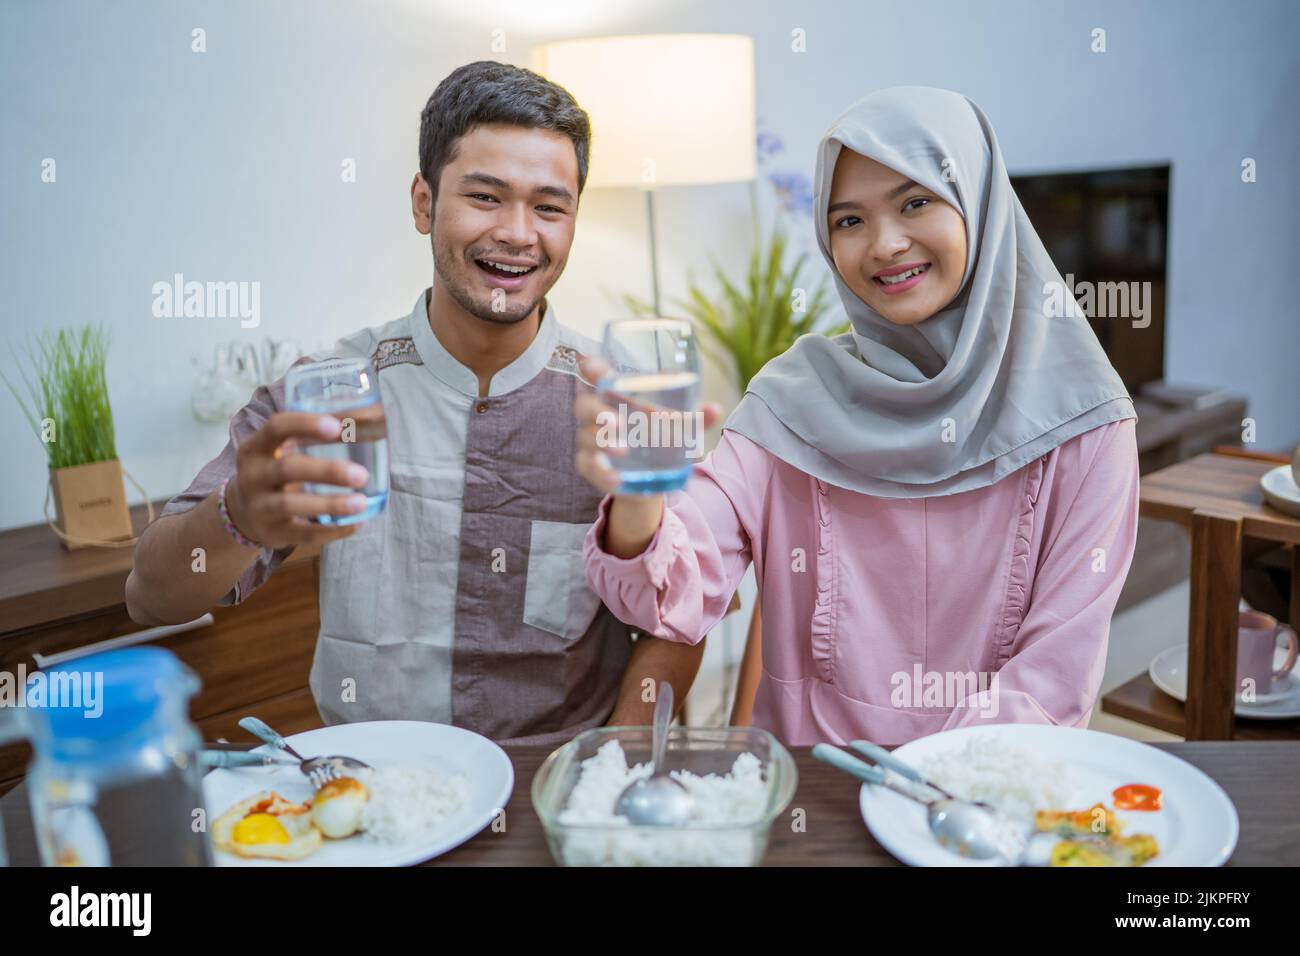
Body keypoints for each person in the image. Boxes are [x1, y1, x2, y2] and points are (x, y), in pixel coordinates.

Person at [126, 61, 704, 746]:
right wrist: (238, 517)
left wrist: (608, 762)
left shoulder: (624, 403)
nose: (520, 233)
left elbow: (684, 621)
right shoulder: (330, 390)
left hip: (554, 779)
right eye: (485, 197)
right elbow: (153, 597)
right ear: (424, 203)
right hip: (378, 782)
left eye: (549, 206)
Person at [576, 86, 1139, 746]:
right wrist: (639, 496)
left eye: (915, 202)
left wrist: (925, 792)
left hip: (983, 797)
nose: (885, 244)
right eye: (849, 221)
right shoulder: (790, 400)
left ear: (981, 207)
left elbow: (1051, 686)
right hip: (811, 799)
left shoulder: (1088, 424)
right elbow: (673, 597)